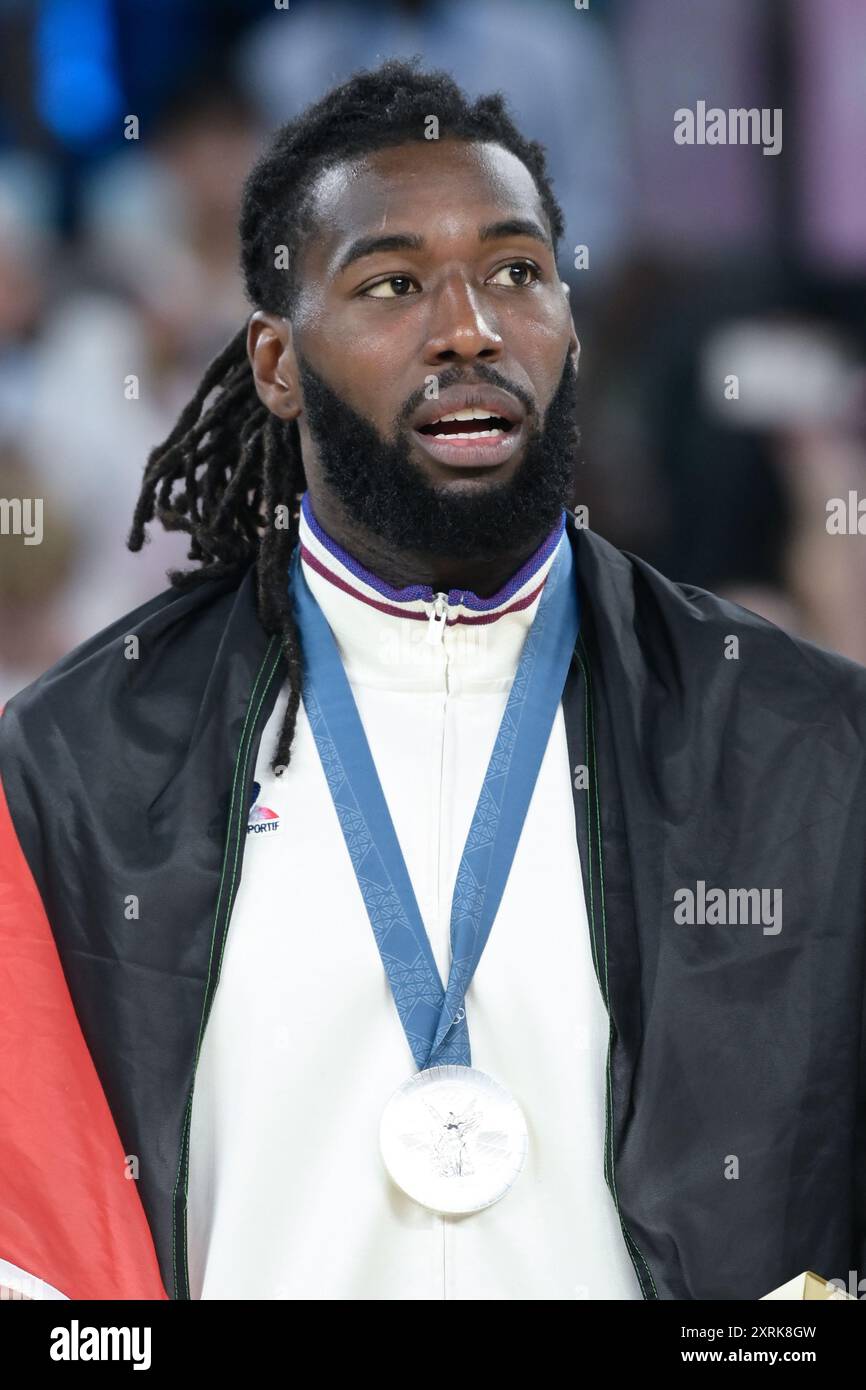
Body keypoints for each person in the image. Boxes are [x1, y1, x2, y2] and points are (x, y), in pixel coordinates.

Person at [1, 58, 865, 1303]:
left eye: (515, 272)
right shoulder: (77, 759)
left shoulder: (799, 739)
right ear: (275, 362)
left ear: (567, 323)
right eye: (392, 283)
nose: (467, 326)